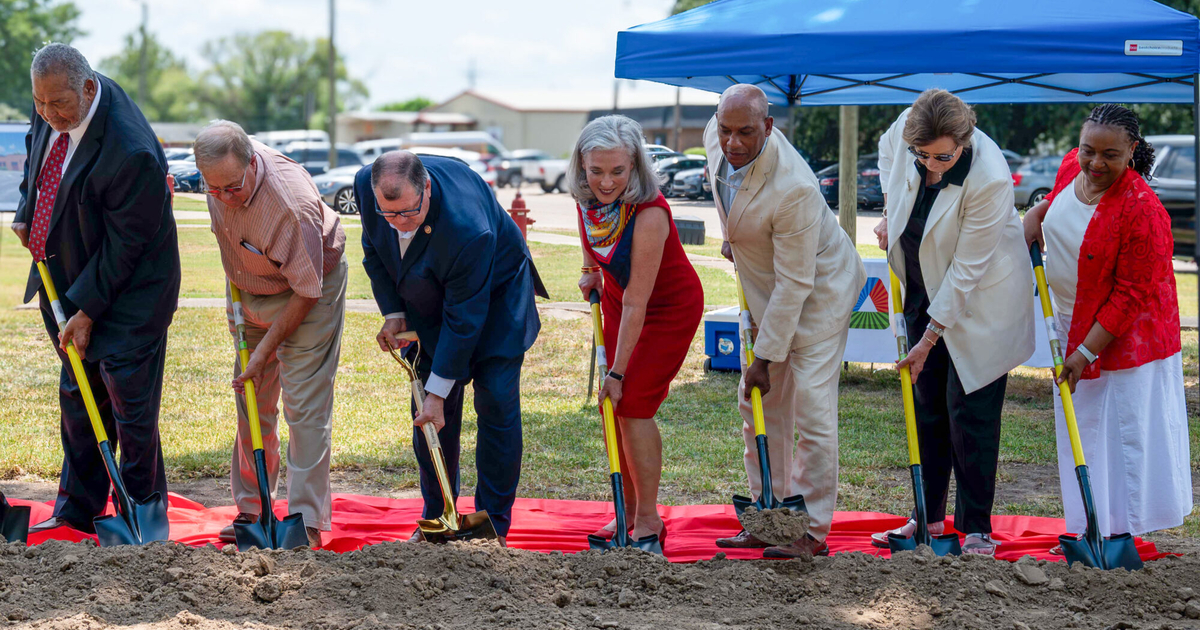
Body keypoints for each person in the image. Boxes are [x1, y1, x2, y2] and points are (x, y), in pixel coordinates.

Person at [10, 43, 180, 534]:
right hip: (65, 272)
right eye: (40, 103)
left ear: (87, 89)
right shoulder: (54, 98)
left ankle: (141, 512)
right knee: (79, 395)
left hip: (132, 292)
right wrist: (27, 210)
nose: (47, 113)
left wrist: (86, 311)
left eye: (57, 104)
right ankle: (78, 510)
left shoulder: (130, 150)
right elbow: (36, 156)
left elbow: (127, 247)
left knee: (129, 403)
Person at [705, 84, 866, 558]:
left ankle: (811, 531)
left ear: (769, 128)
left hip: (820, 294)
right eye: (726, 130)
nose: (733, 143)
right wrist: (734, 238)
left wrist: (766, 357)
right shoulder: (718, 142)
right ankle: (768, 515)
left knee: (812, 410)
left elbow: (796, 285)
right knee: (758, 404)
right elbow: (728, 197)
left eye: (746, 133)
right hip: (766, 289)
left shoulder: (795, 187)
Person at [871, 89, 1034, 556]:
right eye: (921, 155)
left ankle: (977, 526)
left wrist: (929, 338)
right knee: (927, 404)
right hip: (924, 283)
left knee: (972, 409)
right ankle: (926, 515)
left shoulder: (991, 177)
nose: (930, 167)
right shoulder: (906, 130)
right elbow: (888, 155)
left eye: (942, 157)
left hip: (983, 297)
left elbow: (966, 272)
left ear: (965, 141)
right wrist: (889, 209)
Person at [1023, 105, 1191, 548]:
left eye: (1110, 155)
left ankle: (1121, 530)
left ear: (1132, 151)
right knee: (1080, 429)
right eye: (1088, 151)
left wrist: (1084, 354)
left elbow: (1131, 296)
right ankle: (1086, 524)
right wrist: (1036, 215)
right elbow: (1056, 200)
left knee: (1119, 433)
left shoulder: (1143, 211)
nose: (1095, 164)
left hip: (1126, 339)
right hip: (1071, 319)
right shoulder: (1069, 167)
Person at [356, 151, 544, 545]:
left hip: (495, 300)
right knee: (428, 415)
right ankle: (439, 514)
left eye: (407, 214)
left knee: (494, 402)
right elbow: (375, 253)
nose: (398, 226)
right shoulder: (367, 187)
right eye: (388, 215)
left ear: (426, 189)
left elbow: (465, 316)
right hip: (433, 303)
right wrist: (394, 313)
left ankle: (492, 526)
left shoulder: (468, 227)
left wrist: (439, 391)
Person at [194, 121, 348, 550]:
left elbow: (306, 291)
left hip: (308, 286)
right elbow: (229, 241)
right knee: (250, 396)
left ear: (252, 163)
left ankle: (306, 519)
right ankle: (253, 507)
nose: (224, 197)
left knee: (304, 405)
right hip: (248, 284)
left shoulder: (290, 205)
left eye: (233, 188)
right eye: (214, 189)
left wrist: (265, 350)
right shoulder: (220, 180)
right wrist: (242, 316)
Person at [568, 115, 704, 544]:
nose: (605, 182)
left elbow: (639, 301)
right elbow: (587, 224)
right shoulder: (588, 196)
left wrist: (617, 372)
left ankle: (648, 519)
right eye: (596, 170)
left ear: (636, 167)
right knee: (617, 411)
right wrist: (591, 268)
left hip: (664, 307)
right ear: (582, 167)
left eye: (618, 171)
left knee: (632, 403)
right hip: (618, 298)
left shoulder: (650, 214)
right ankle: (624, 512)